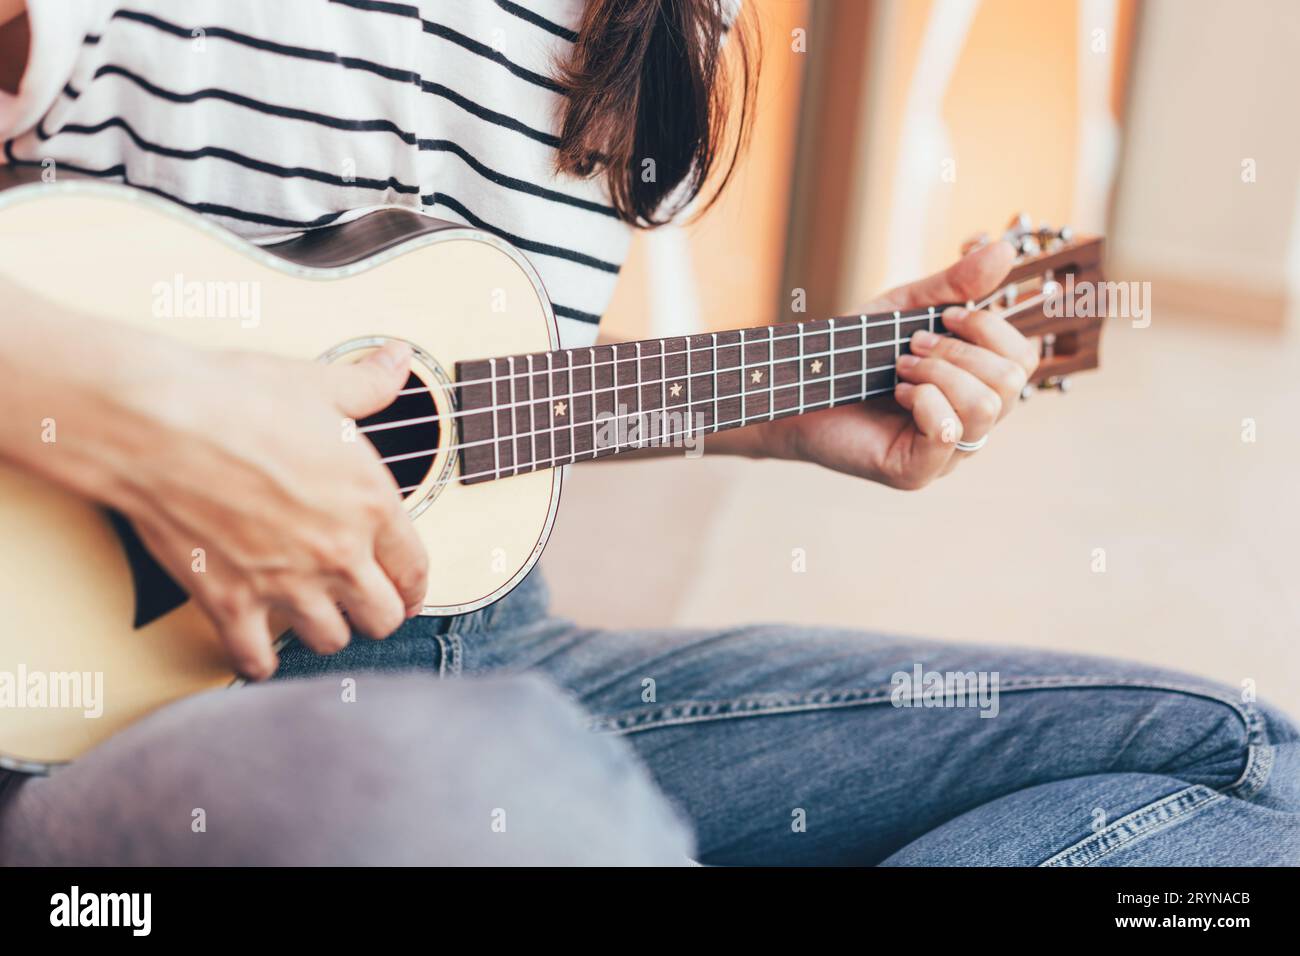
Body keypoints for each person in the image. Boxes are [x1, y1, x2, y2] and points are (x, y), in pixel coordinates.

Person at [0, 0, 1295, 866]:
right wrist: (157, 418)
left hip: (488, 652)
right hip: (94, 703)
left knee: (1242, 769)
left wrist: (772, 413)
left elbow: (436, 397)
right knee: (508, 797)